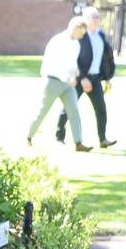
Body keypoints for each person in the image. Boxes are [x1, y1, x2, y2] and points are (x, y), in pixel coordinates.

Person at [27, 16, 93, 151]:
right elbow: (54, 64)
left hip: (68, 84)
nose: (81, 36)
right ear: (75, 28)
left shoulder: (76, 44)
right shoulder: (58, 41)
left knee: (74, 111)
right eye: (81, 33)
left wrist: (76, 76)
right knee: (43, 111)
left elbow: (72, 64)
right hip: (53, 81)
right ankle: (28, 137)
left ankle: (78, 143)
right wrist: (67, 78)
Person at [54, 4, 116, 147]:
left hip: (96, 78)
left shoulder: (100, 35)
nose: (96, 19)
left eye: (98, 17)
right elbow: (73, 59)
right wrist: (82, 78)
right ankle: (59, 137)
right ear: (85, 19)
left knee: (101, 108)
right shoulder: (80, 35)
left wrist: (107, 78)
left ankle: (103, 139)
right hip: (79, 78)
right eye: (93, 17)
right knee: (69, 108)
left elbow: (104, 58)